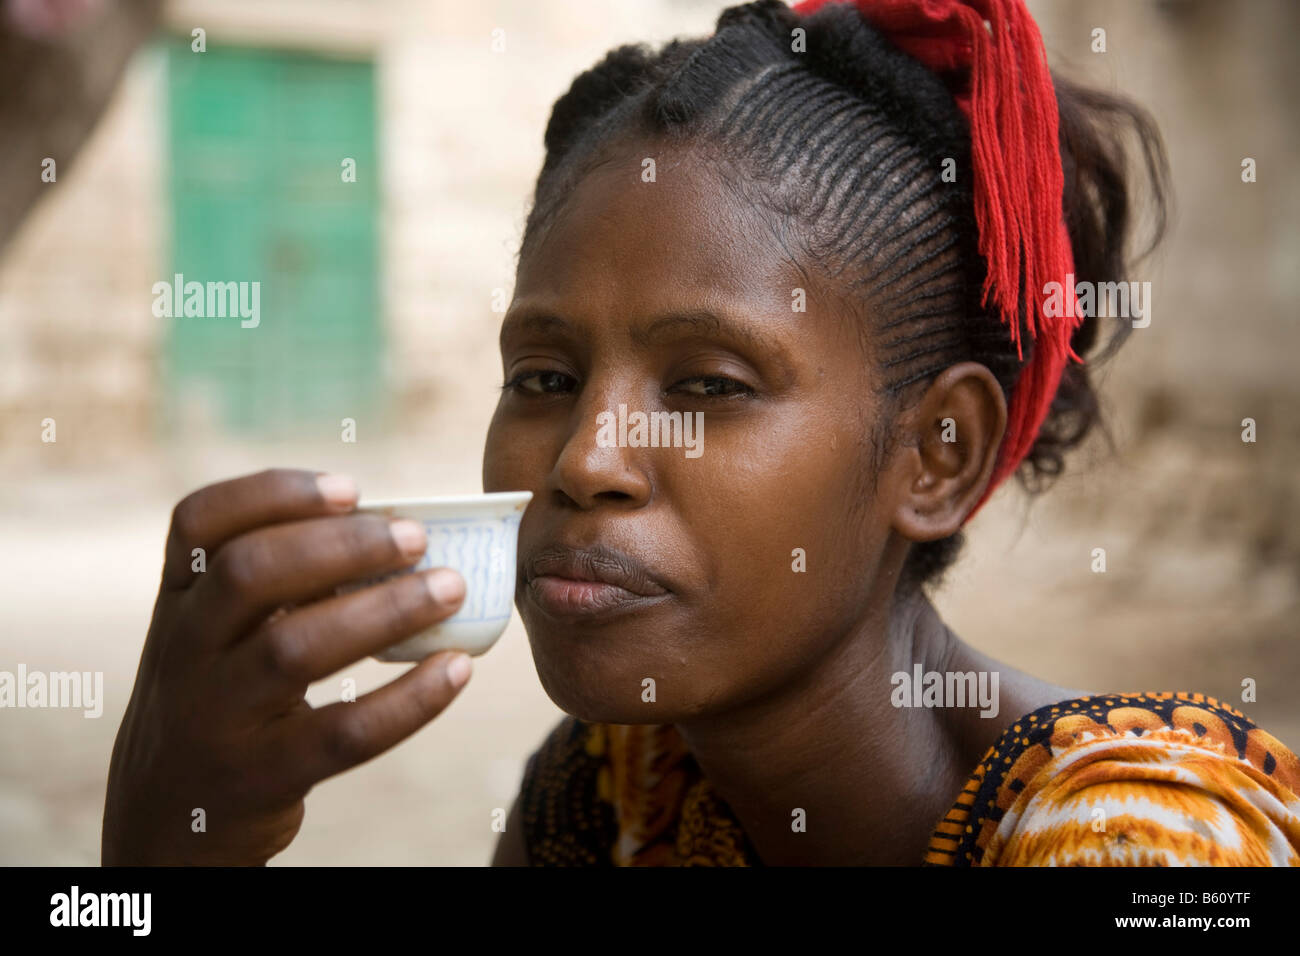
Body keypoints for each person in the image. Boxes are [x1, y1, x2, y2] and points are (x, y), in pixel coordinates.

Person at [102, 0, 1300, 867]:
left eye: (711, 384)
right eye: (544, 373)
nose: (582, 459)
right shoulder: (616, 794)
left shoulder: (1138, 838)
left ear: (936, 455)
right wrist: (164, 845)